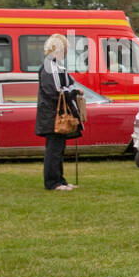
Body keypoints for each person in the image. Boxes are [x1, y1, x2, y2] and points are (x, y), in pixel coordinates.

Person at [34, 33, 82, 191]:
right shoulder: (49, 66)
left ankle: (60, 180)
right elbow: (54, 91)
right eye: (65, 48)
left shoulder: (55, 65)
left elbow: (69, 84)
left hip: (56, 114)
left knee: (58, 149)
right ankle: (53, 182)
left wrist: (73, 90)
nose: (67, 52)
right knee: (54, 150)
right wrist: (73, 93)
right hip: (52, 115)